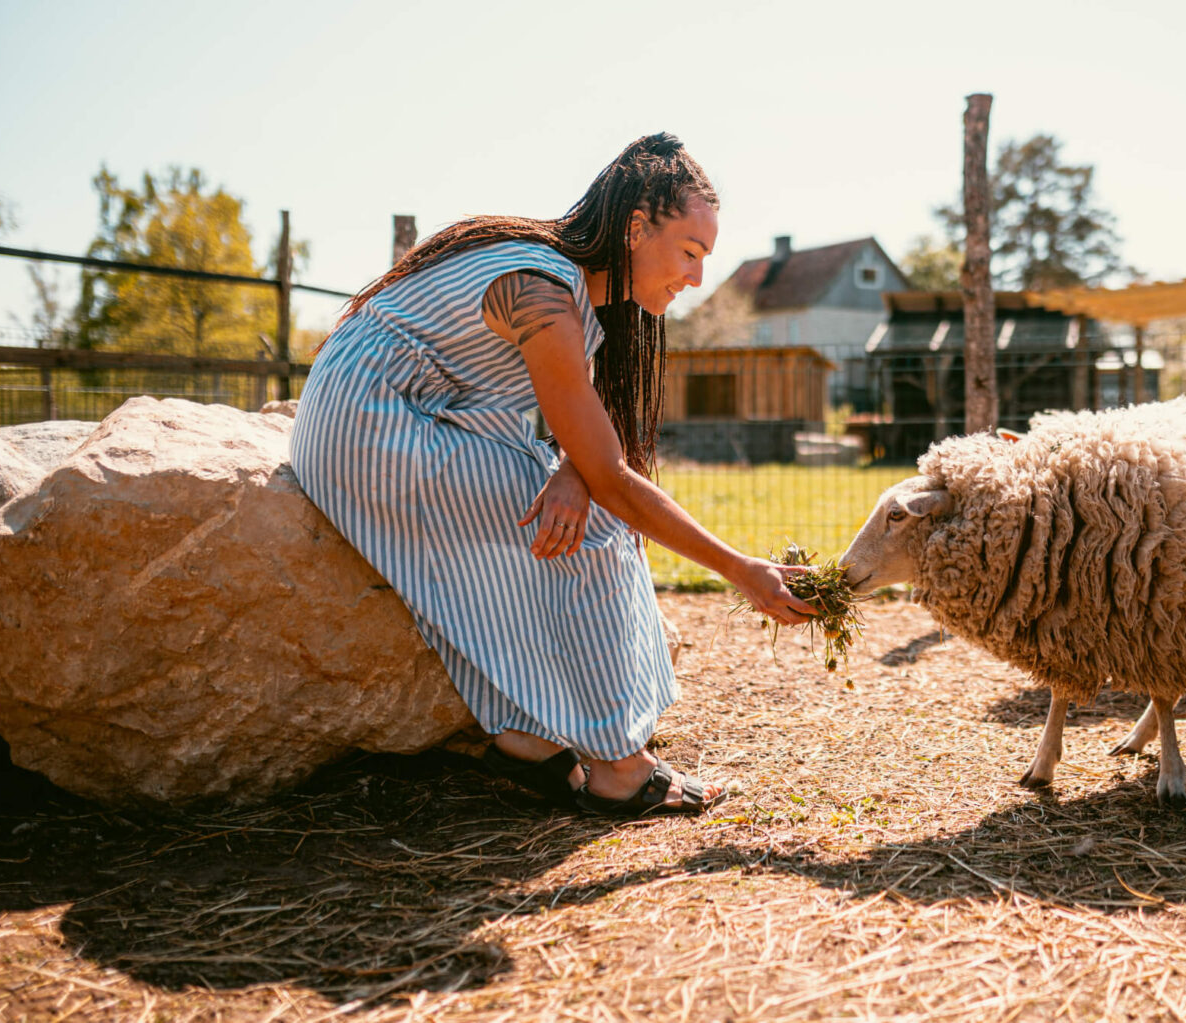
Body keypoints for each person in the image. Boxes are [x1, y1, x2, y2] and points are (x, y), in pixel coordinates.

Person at [291, 132, 814, 816]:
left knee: (578, 509)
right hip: (367, 425)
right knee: (594, 524)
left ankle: (529, 743)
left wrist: (575, 470)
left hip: (412, 419)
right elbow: (614, 478)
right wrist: (742, 568)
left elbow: (589, 442)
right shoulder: (544, 293)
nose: (696, 279)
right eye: (689, 252)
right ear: (635, 228)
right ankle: (620, 768)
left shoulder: (572, 293)